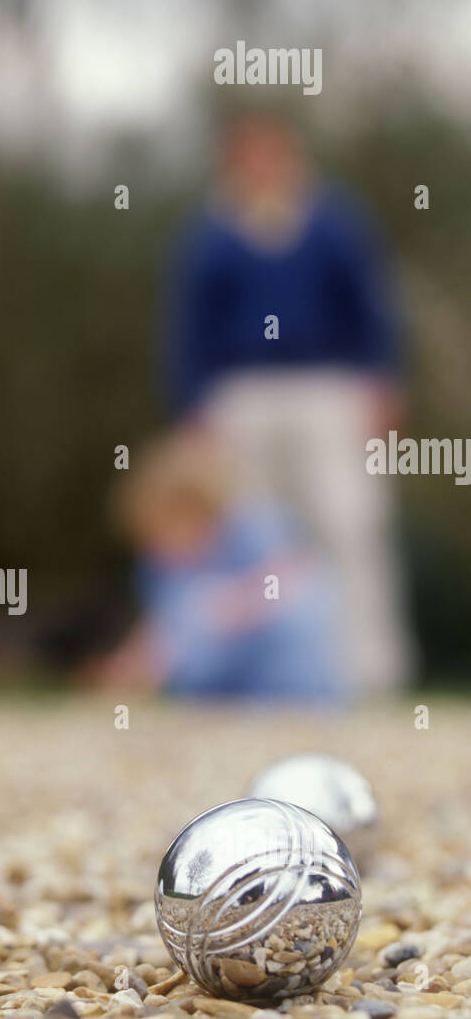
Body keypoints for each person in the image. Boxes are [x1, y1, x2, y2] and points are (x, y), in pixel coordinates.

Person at [166, 105, 413, 693]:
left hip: (327, 389)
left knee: (347, 522)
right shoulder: (211, 233)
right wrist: (191, 405)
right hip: (241, 396)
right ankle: (264, 671)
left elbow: (371, 304)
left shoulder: (335, 221)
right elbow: (188, 326)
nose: (259, 163)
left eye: (268, 149)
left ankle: (371, 669)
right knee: (250, 533)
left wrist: (383, 378)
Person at [87, 433, 345, 700]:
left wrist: (231, 606)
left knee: (278, 619)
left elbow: (295, 575)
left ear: (195, 509)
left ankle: (294, 700)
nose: (157, 549)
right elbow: (163, 629)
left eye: (162, 532)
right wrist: (130, 665)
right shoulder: (164, 570)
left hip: (277, 665)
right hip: (216, 679)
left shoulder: (251, 530)